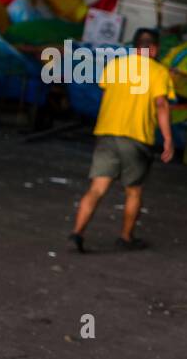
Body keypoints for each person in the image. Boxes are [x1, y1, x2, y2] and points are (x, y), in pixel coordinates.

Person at [69, 27, 175, 252]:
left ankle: (77, 232)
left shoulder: (115, 66)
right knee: (133, 191)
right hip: (136, 137)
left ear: (135, 46)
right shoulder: (158, 72)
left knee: (97, 188)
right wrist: (167, 138)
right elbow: (161, 105)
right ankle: (126, 237)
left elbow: (107, 94)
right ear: (154, 49)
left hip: (107, 133)